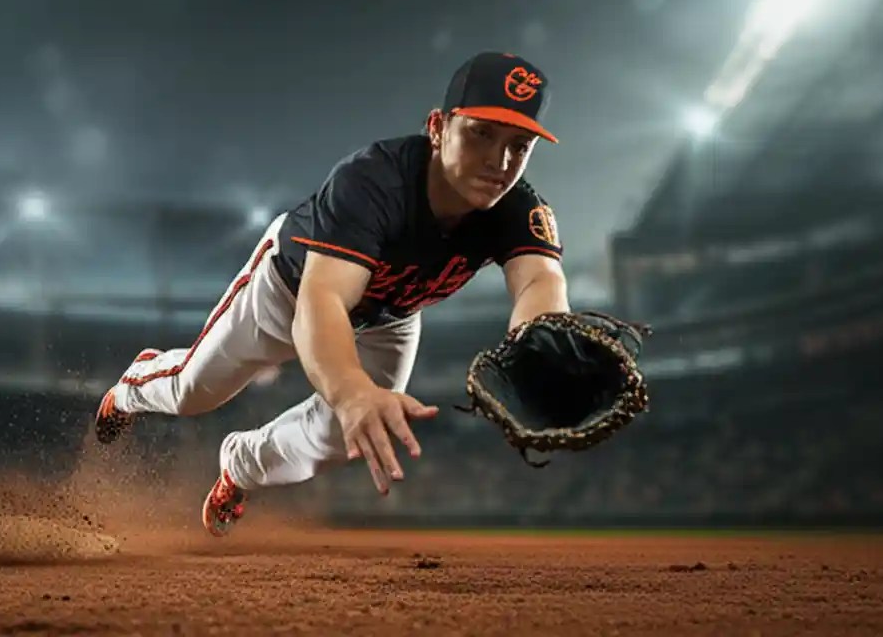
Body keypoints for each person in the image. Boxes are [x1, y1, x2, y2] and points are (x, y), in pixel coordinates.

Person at [94, 51, 571, 536]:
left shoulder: (518, 208)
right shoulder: (371, 181)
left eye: (520, 144)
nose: (499, 161)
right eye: (481, 133)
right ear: (438, 126)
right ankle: (136, 383)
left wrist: (543, 340)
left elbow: (540, 281)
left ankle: (240, 465)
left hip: (391, 316)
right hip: (289, 289)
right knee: (194, 392)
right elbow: (319, 307)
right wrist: (351, 391)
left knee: (342, 436)